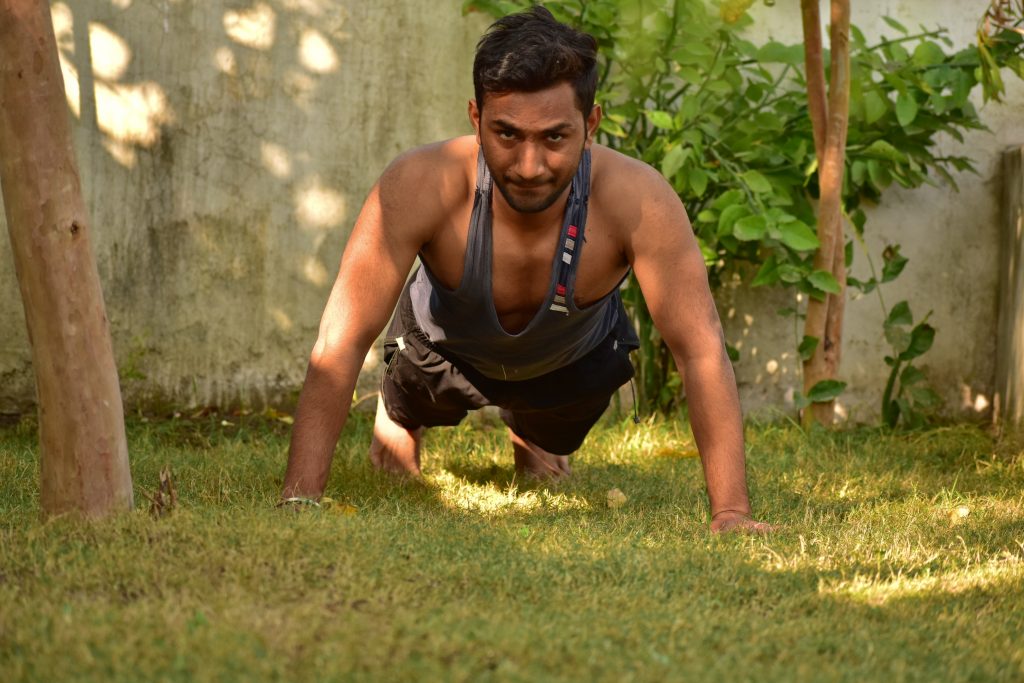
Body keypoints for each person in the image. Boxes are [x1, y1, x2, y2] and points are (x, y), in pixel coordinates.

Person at [281, 6, 771, 533]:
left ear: (592, 123)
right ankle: (401, 414)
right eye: (507, 134)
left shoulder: (638, 198)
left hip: (569, 359)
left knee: (545, 460)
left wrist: (732, 513)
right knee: (398, 442)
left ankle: (533, 432)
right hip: (440, 347)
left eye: (555, 138)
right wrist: (299, 500)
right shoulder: (421, 183)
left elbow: (699, 348)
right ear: (476, 118)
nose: (530, 166)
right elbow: (339, 341)